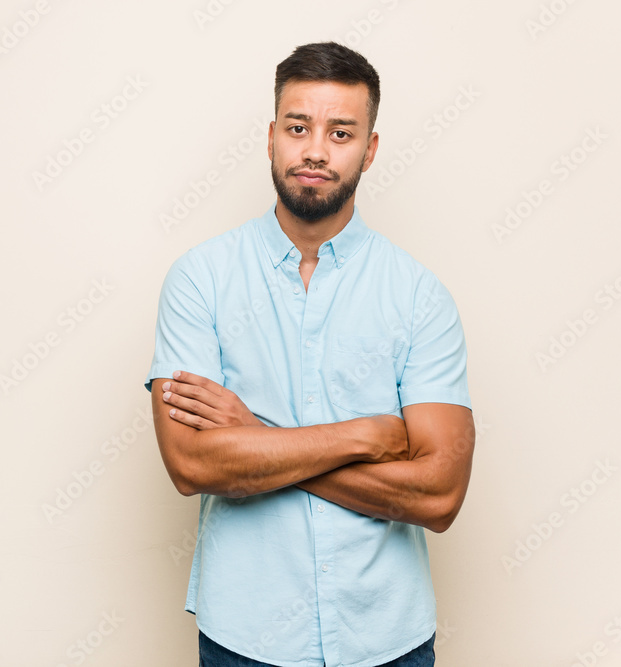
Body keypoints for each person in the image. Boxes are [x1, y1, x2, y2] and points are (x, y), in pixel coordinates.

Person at [144, 42, 474, 667]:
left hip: (388, 639)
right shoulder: (200, 280)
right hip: (246, 636)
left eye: (341, 132)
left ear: (370, 149)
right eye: (299, 128)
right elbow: (191, 464)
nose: (316, 150)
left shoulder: (420, 297)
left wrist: (255, 439)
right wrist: (370, 434)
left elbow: (439, 495)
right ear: (272, 138)